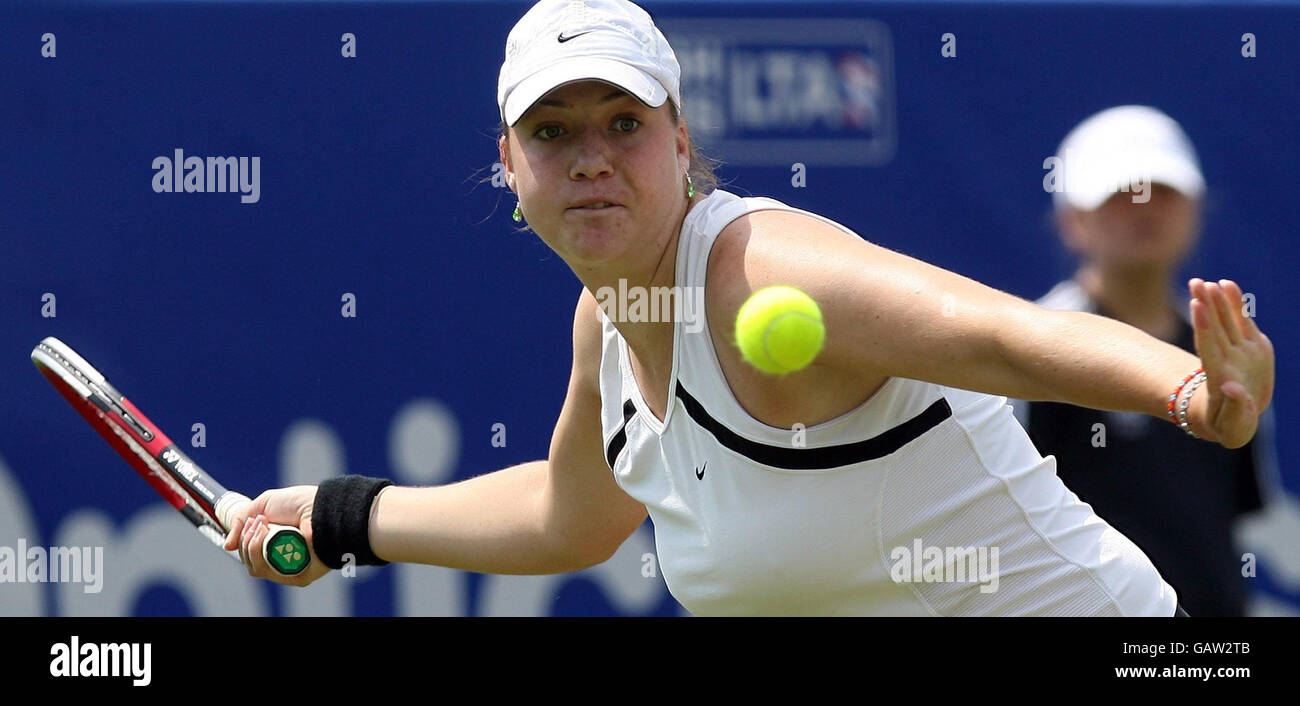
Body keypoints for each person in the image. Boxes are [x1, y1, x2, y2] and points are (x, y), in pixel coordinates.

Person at [224, 0, 1274, 616]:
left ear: (679, 141)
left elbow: (1004, 332)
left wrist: (1191, 391)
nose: (589, 157)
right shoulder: (607, 324)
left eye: (621, 122)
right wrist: (342, 517)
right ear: (507, 165)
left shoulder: (765, 273)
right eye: (551, 133)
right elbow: (570, 514)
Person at [1011, 106, 1281, 616]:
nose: (1145, 207)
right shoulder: (1031, 345)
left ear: (1195, 208)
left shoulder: (1229, 350)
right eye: (1120, 193)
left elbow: (1242, 522)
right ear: (1073, 219)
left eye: (1165, 190)